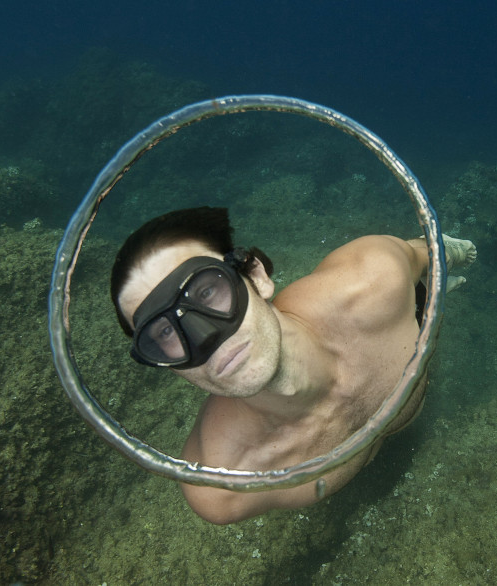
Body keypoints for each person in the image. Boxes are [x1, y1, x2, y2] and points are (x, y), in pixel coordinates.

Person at [110, 207, 476, 524]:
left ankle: (436, 291)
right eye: (164, 332)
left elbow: (420, 252)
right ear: (167, 365)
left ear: (256, 276)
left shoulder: (373, 279)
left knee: (424, 299)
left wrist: (451, 252)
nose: (207, 338)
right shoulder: (226, 489)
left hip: (399, 310)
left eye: (206, 292)